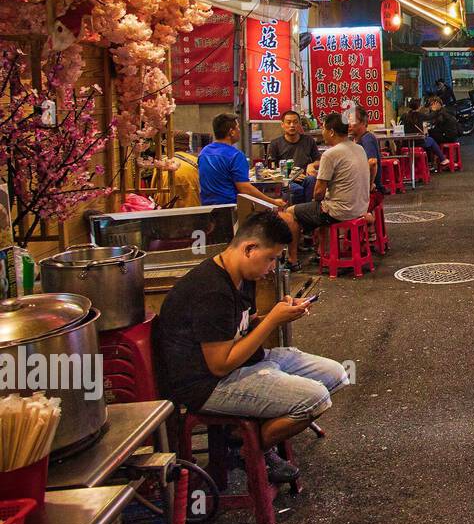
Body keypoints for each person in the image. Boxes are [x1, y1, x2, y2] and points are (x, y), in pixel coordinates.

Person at [150, 212, 348, 483]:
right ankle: (249, 450)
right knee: (315, 398)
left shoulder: (241, 277)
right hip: (207, 385)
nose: (271, 267)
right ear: (249, 248)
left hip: (247, 363)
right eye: (270, 259)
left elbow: (242, 326)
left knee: (335, 374)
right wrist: (273, 322)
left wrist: (278, 315)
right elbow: (220, 364)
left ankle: (240, 436)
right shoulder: (211, 291)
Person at [280, 113, 372, 269]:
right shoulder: (359, 148)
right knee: (318, 210)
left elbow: (318, 193)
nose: (322, 132)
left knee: (289, 213)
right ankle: (322, 252)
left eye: (323, 128)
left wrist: (316, 199)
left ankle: (292, 260)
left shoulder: (330, 154)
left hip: (340, 211)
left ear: (331, 132)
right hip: (360, 208)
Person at [198, 113, 284, 210]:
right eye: (237, 127)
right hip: (229, 209)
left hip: (207, 209)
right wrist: (272, 202)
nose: (239, 131)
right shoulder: (235, 155)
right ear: (231, 132)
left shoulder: (204, 152)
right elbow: (245, 189)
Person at [265, 110, 320, 203]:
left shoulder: (309, 140)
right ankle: (296, 213)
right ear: (282, 125)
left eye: (295, 122)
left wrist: (312, 165)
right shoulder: (275, 143)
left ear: (299, 124)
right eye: (288, 122)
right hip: (285, 180)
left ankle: (309, 210)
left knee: (311, 180)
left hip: (305, 177)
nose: (292, 125)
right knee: (297, 190)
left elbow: (318, 160)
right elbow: (271, 168)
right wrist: (291, 176)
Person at [349, 106, 381, 188]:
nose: (349, 124)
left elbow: (373, 162)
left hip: (369, 190)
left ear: (363, 123)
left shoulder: (367, 138)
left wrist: (369, 185)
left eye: (352, 121)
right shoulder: (355, 139)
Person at [425, 95, 458, 169]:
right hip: (449, 134)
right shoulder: (443, 111)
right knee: (429, 137)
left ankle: (431, 163)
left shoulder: (442, 113)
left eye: (432, 105)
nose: (430, 107)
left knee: (428, 140)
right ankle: (435, 161)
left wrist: (433, 112)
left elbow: (436, 124)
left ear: (437, 104)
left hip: (448, 136)